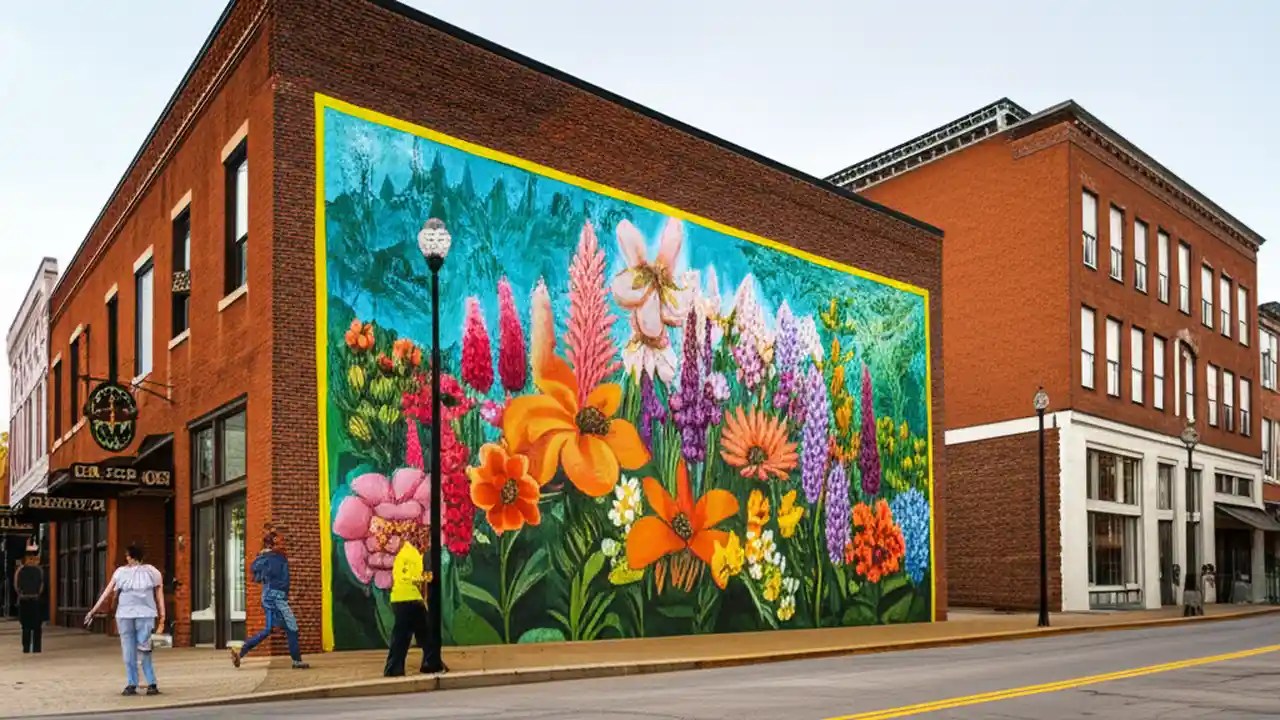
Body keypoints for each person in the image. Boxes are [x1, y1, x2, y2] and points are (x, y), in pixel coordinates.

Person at [86, 544, 164, 697]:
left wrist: (93, 610)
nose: (127, 558)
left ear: (133, 557)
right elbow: (108, 591)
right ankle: (145, 683)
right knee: (139, 649)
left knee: (139, 648)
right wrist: (162, 616)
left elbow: (107, 592)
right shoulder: (149, 572)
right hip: (137, 614)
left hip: (135, 614)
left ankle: (138, 683)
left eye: (128, 555)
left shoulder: (145, 572)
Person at [231, 524, 309, 669]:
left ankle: (240, 651)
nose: (284, 544)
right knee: (292, 627)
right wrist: (264, 557)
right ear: (273, 543)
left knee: (270, 629)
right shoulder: (271, 557)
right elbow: (255, 569)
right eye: (280, 541)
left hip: (272, 596)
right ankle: (297, 661)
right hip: (275, 597)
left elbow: (256, 570)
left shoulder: (276, 556)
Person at [383, 524, 440, 676]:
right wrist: (426, 577)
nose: (428, 544)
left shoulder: (406, 553)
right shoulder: (411, 554)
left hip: (402, 599)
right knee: (420, 634)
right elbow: (409, 577)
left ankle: (397, 668)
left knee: (409, 635)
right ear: (419, 539)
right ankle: (428, 664)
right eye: (427, 539)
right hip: (409, 599)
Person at [14, 545, 44, 653]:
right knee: (35, 626)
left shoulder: (20, 570)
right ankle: (36, 648)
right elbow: (41, 586)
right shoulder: (39, 570)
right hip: (34, 600)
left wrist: (21, 594)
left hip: (25, 600)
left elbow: (16, 586)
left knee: (26, 626)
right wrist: (37, 594)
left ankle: (26, 648)